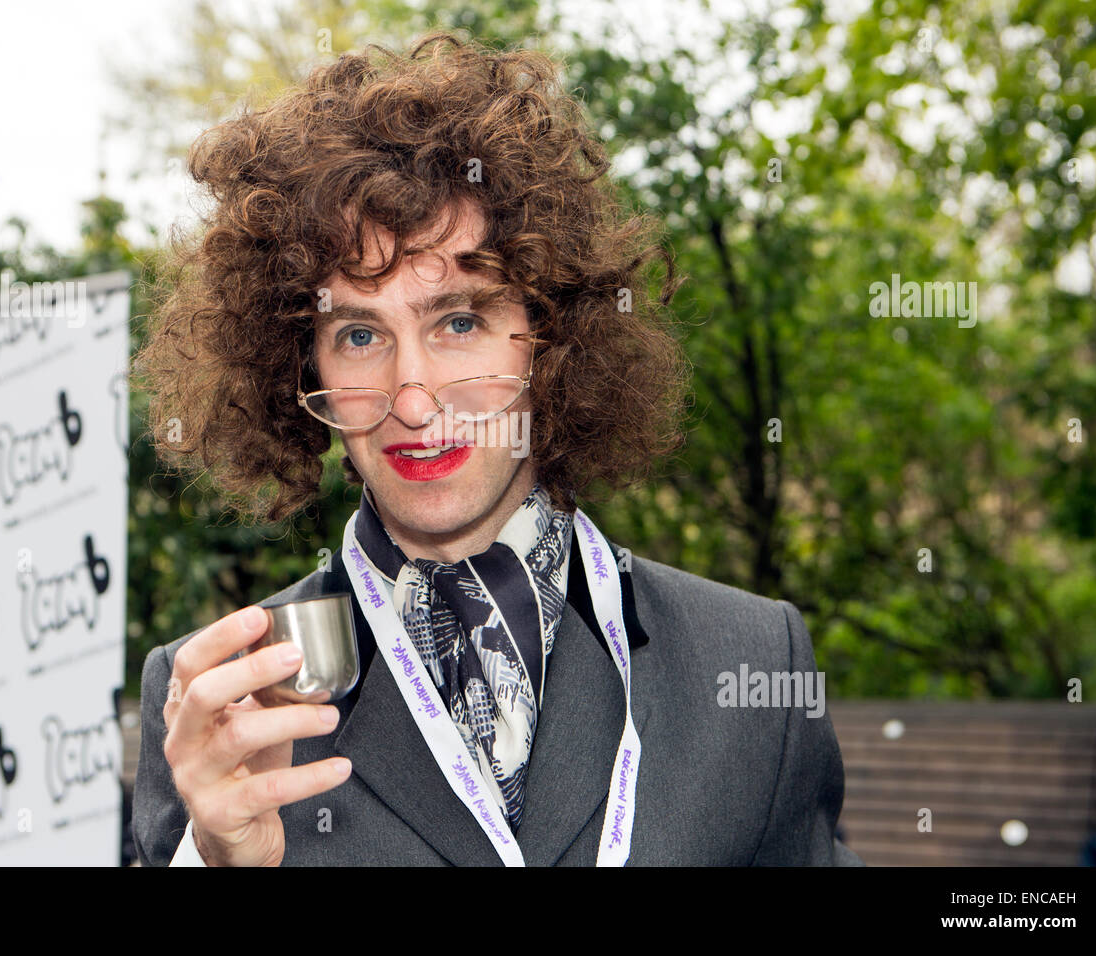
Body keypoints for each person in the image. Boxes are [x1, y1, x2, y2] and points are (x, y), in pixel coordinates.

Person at [131, 31, 862, 867]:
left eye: (460, 321)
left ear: (549, 337)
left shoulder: (753, 662)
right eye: (361, 334)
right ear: (305, 369)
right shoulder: (222, 705)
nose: (413, 398)